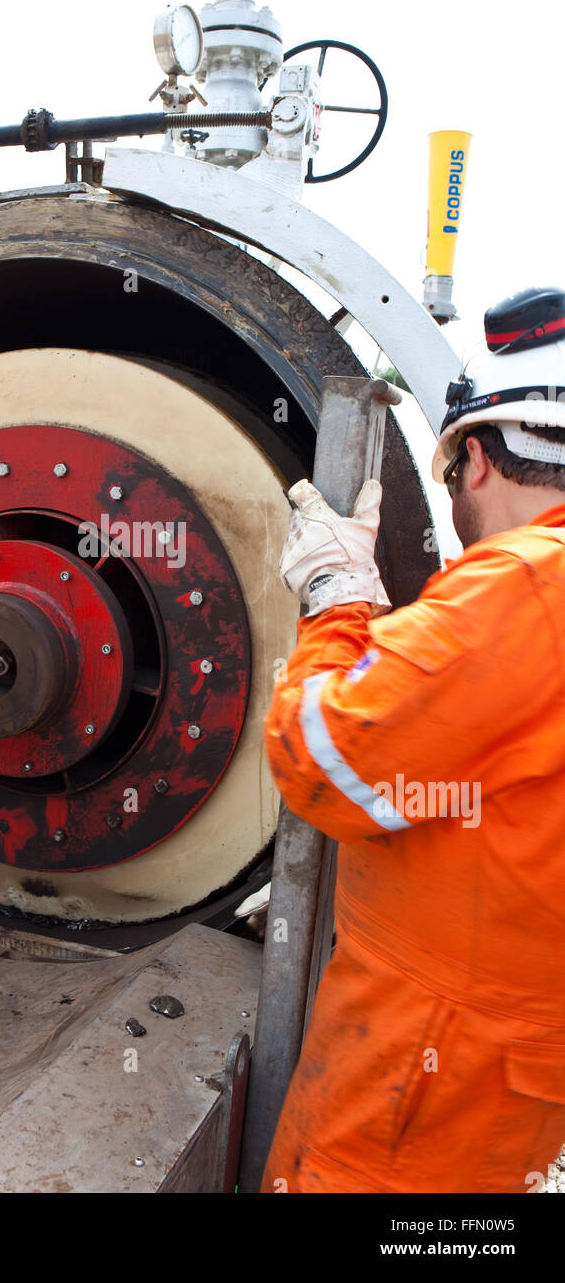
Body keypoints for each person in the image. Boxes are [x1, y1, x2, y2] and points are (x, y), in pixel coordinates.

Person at [261, 287, 565, 1194]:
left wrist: (337, 600)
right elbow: (483, 759)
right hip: (514, 1066)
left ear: (474, 458)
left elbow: (326, 765)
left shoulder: (526, 584)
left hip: (425, 1079)